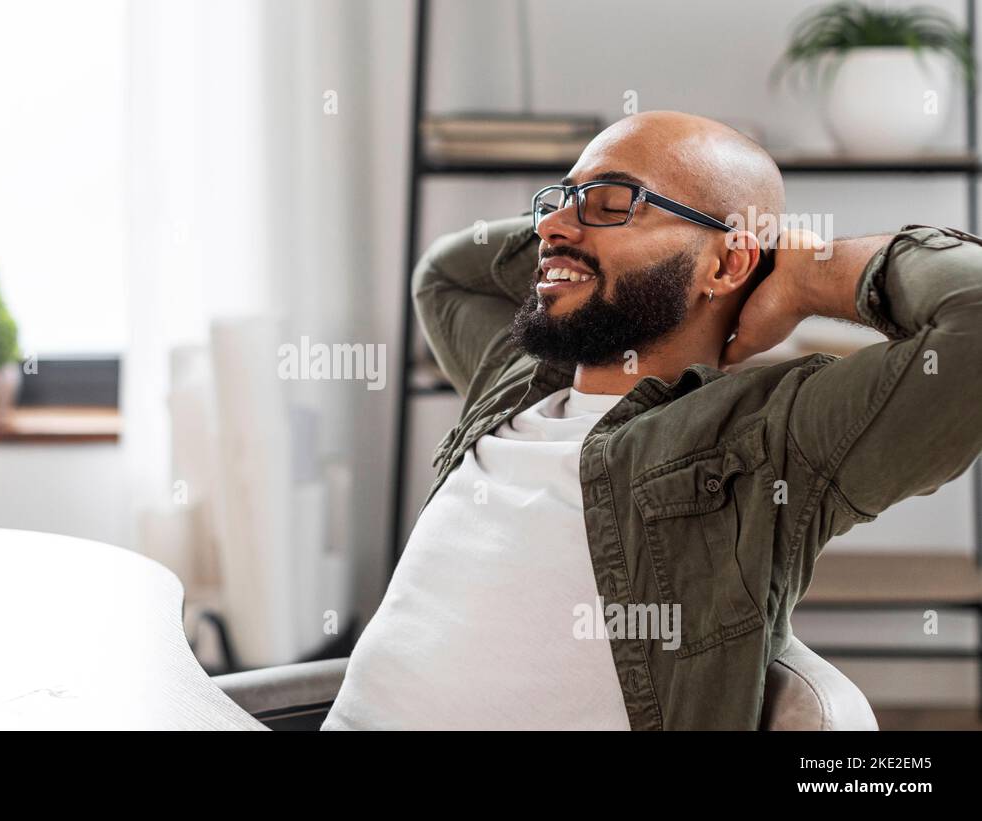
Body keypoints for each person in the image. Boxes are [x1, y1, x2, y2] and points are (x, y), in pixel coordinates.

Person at [323, 110, 982, 730]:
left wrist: (811, 271)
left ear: (727, 262)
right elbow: (444, 273)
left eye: (614, 203)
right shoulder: (513, 378)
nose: (548, 228)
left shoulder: (762, 436)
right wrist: (581, 237)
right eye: (556, 202)